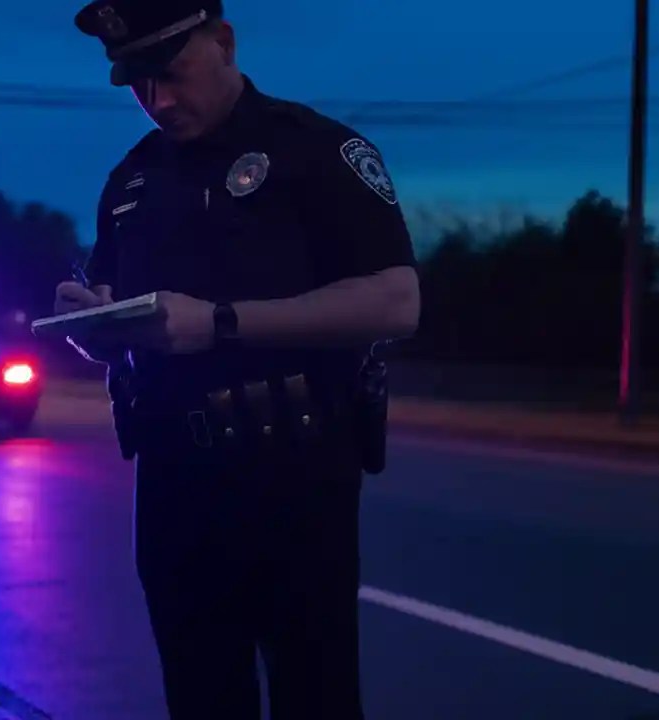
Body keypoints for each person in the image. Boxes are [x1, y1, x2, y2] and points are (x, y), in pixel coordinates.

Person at [55, 1, 420, 718]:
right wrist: (92, 323)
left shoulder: (313, 152)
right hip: (173, 484)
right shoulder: (131, 183)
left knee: (314, 697)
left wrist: (221, 325)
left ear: (222, 42)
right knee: (199, 696)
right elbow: (119, 305)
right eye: (138, 84)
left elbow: (395, 302)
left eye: (172, 74)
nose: (157, 100)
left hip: (295, 474)